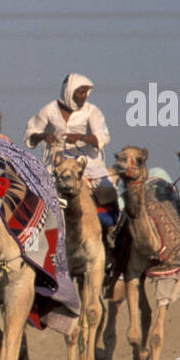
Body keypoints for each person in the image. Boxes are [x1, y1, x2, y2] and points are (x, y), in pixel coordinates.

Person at [24, 72, 119, 239]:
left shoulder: (92, 111)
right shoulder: (49, 110)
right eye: (80, 92)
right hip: (57, 162)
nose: (84, 96)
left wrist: (82, 137)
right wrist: (44, 136)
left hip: (87, 163)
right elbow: (31, 133)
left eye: (85, 92)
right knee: (35, 193)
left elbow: (103, 137)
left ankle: (111, 232)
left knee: (107, 191)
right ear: (69, 92)